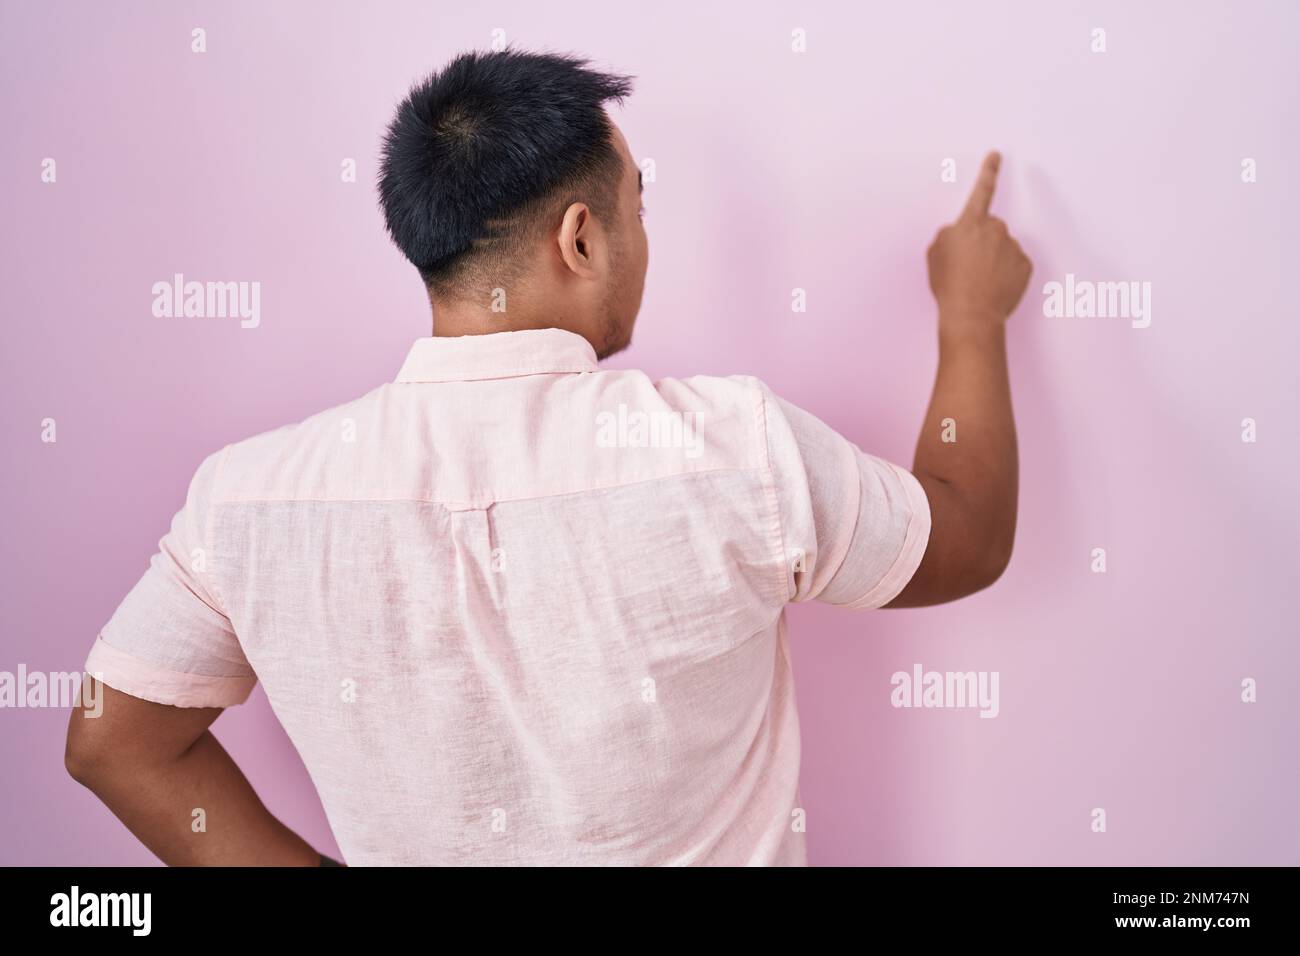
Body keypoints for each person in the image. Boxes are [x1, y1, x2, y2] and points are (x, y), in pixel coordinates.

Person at [64, 49, 1031, 866]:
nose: (644, 239)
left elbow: (116, 743)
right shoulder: (736, 449)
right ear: (580, 237)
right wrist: (971, 317)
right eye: (636, 207)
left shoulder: (248, 501)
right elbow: (970, 530)